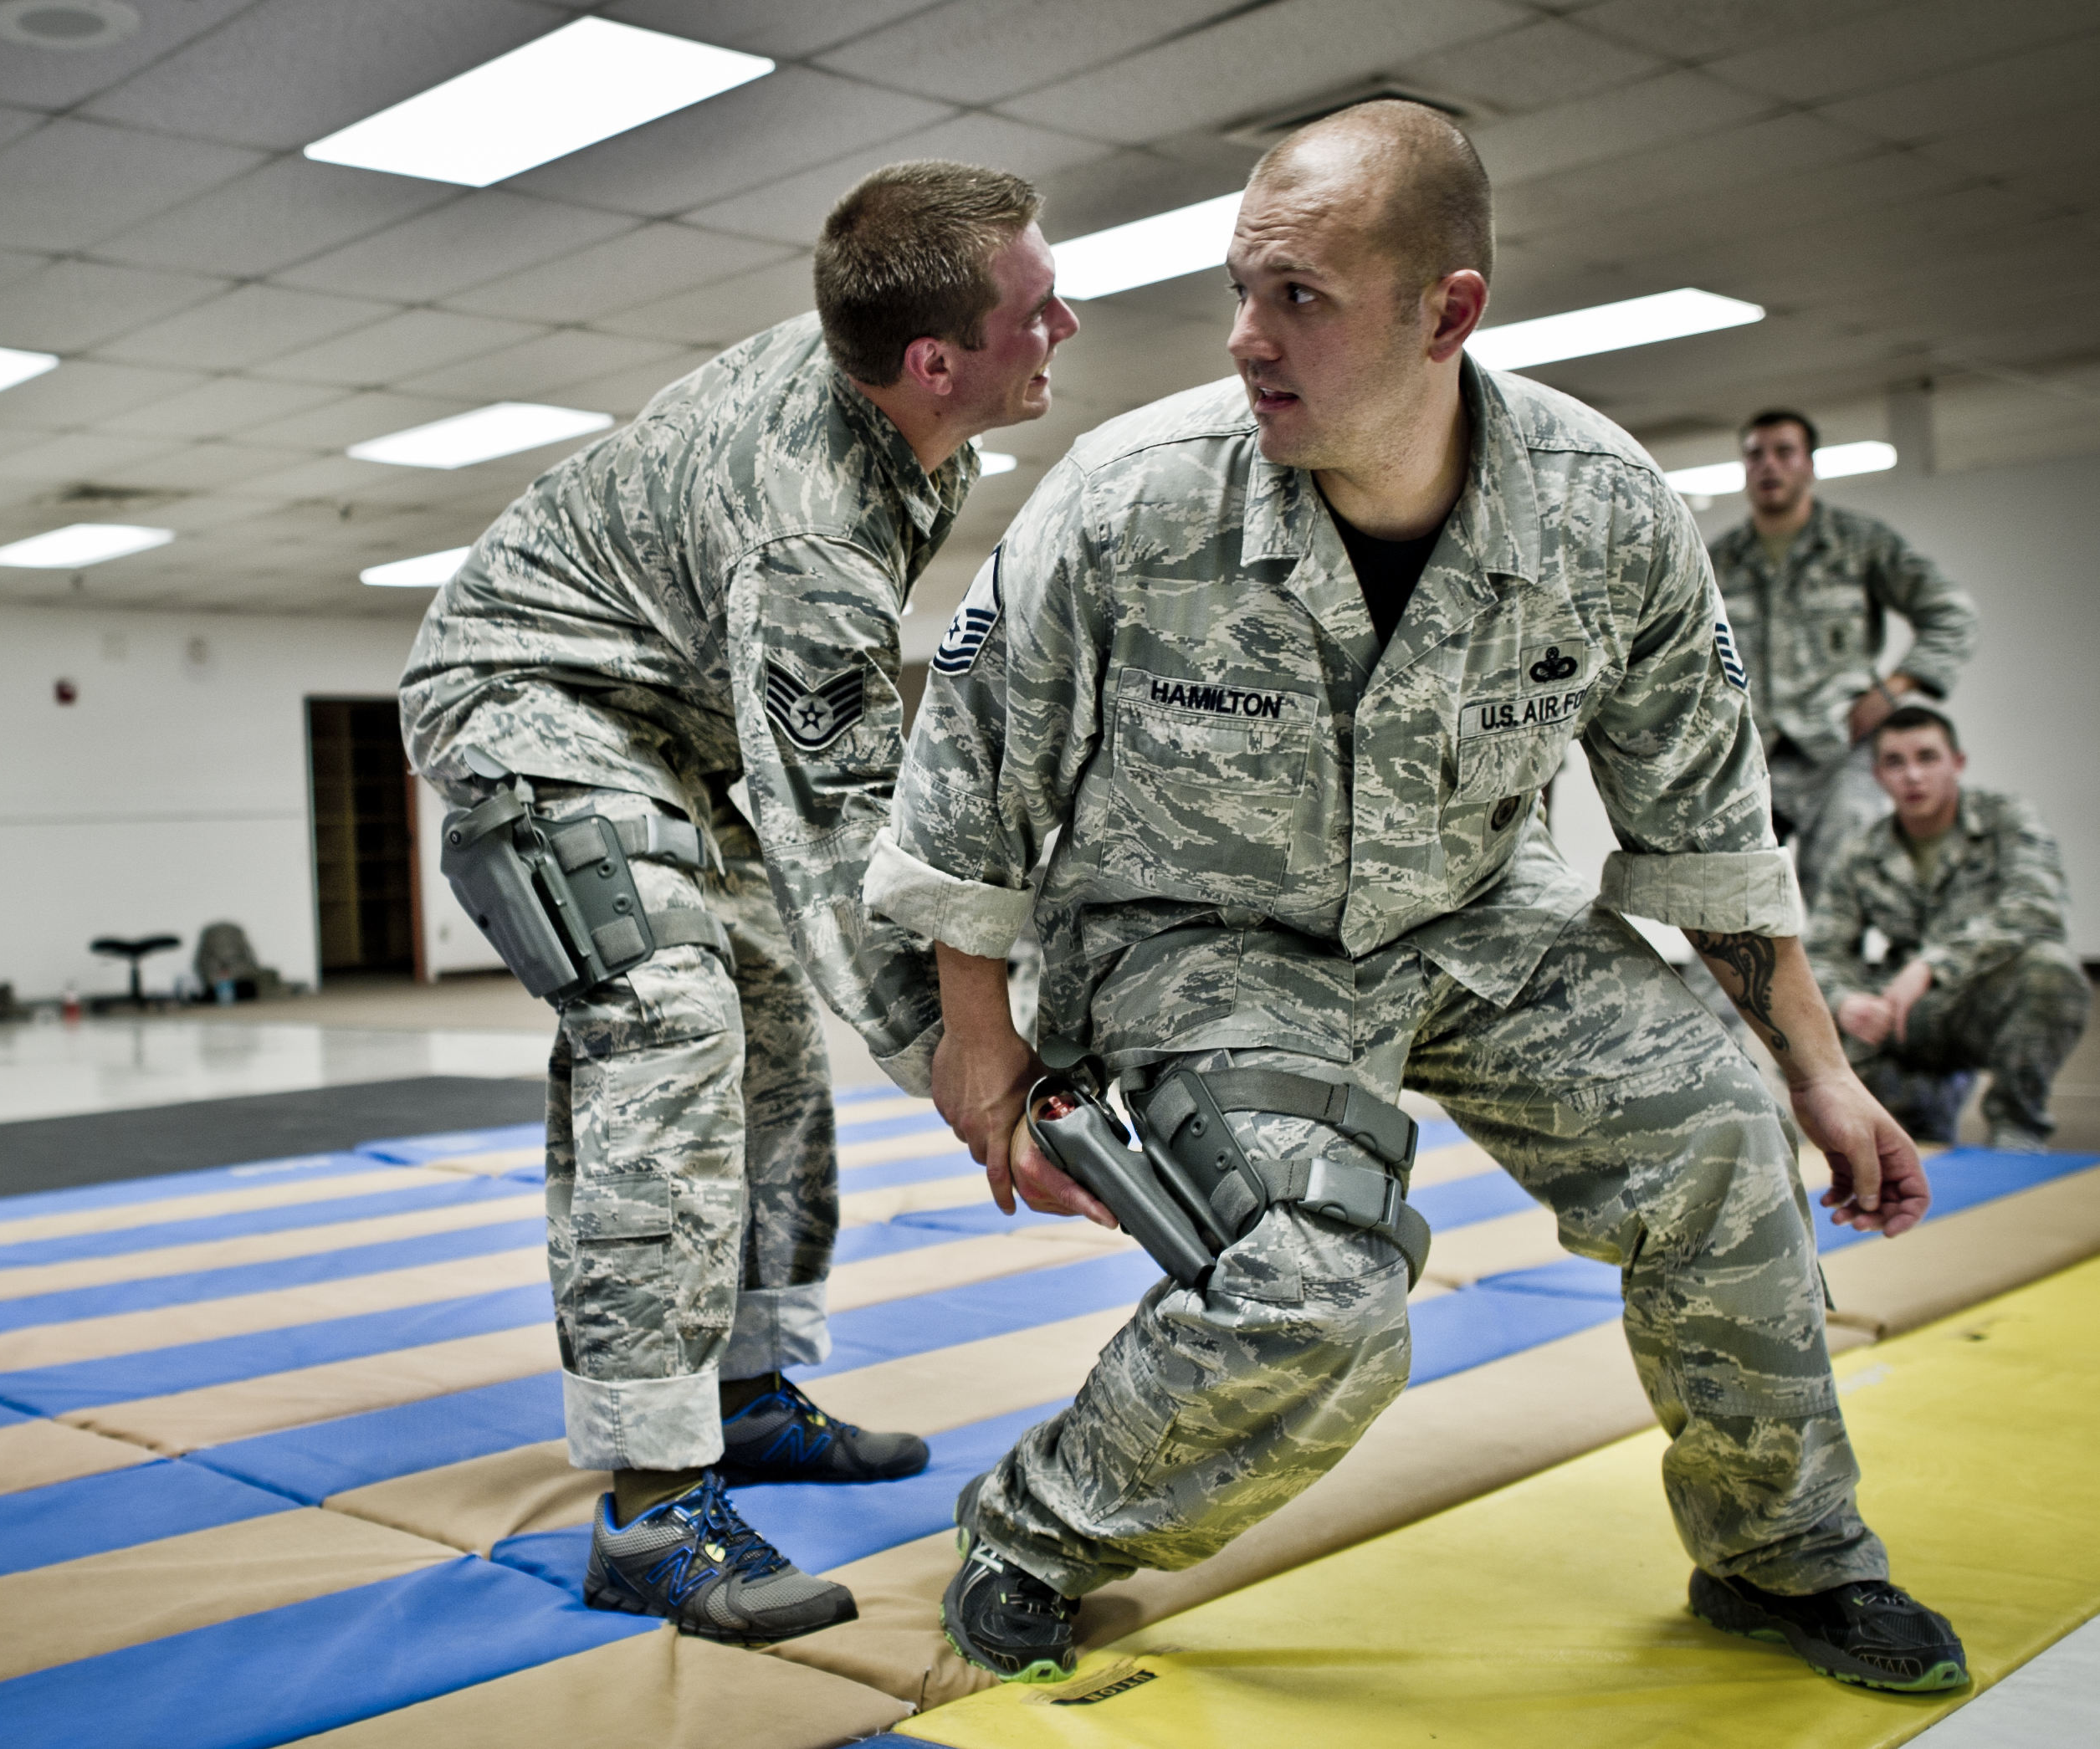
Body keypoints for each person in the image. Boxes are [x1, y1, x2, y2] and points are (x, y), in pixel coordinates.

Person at [869, 102, 1967, 1695]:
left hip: (1474, 923)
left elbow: (1706, 828)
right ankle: (1043, 1524)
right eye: (1238, 289)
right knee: (1324, 1290)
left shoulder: (1604, 518)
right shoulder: (1127, 502)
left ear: (1446, 312)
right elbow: (965, 784)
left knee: (1720, 1140)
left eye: (1297, 297)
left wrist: (1814, 1069)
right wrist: (979, 1053)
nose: (1246, 339)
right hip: (1199, 941)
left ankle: (1778, 1548)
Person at [398, 161, 1078, 1643]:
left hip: (678, 729)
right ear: (935, 358)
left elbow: (821, 804)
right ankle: (648, 1509)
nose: (1066, 324)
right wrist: (979, 1077)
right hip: (535, 706)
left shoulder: (914, 418)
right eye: (1038, 309)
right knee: (669, 1029)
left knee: (773, 1025)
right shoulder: (813, 522)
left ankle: (745, 1384)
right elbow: (843, 847)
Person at [1708, 411, 1976, 908]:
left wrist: (1894, 688)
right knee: (1727, 902)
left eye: (1784, 452)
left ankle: (1831, 989)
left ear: (1810, 465)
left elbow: (1951, 614)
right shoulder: (1718, 561)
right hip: (1749, 755)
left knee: (1837, 899)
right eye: (1755, 453)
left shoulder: (1859, 545)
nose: (1769, 465)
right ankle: (1712, 992)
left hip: (1838, 749)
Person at [1807, 707, 2086, 1153]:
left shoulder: (2005, 820)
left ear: (1957, 763)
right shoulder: (1860, 851)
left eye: (1927, 757)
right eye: (1896, 763)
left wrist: (1932, 966)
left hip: (1981, 1001)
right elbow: (1820, 953)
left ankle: (2017, 1128)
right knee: (1805, 1016)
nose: (1913, 775)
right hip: (1904, 1020)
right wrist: (1846, 1003)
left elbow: (2038, 908)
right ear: (1878, 775)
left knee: (2052, 972)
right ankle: (1907, 1126)